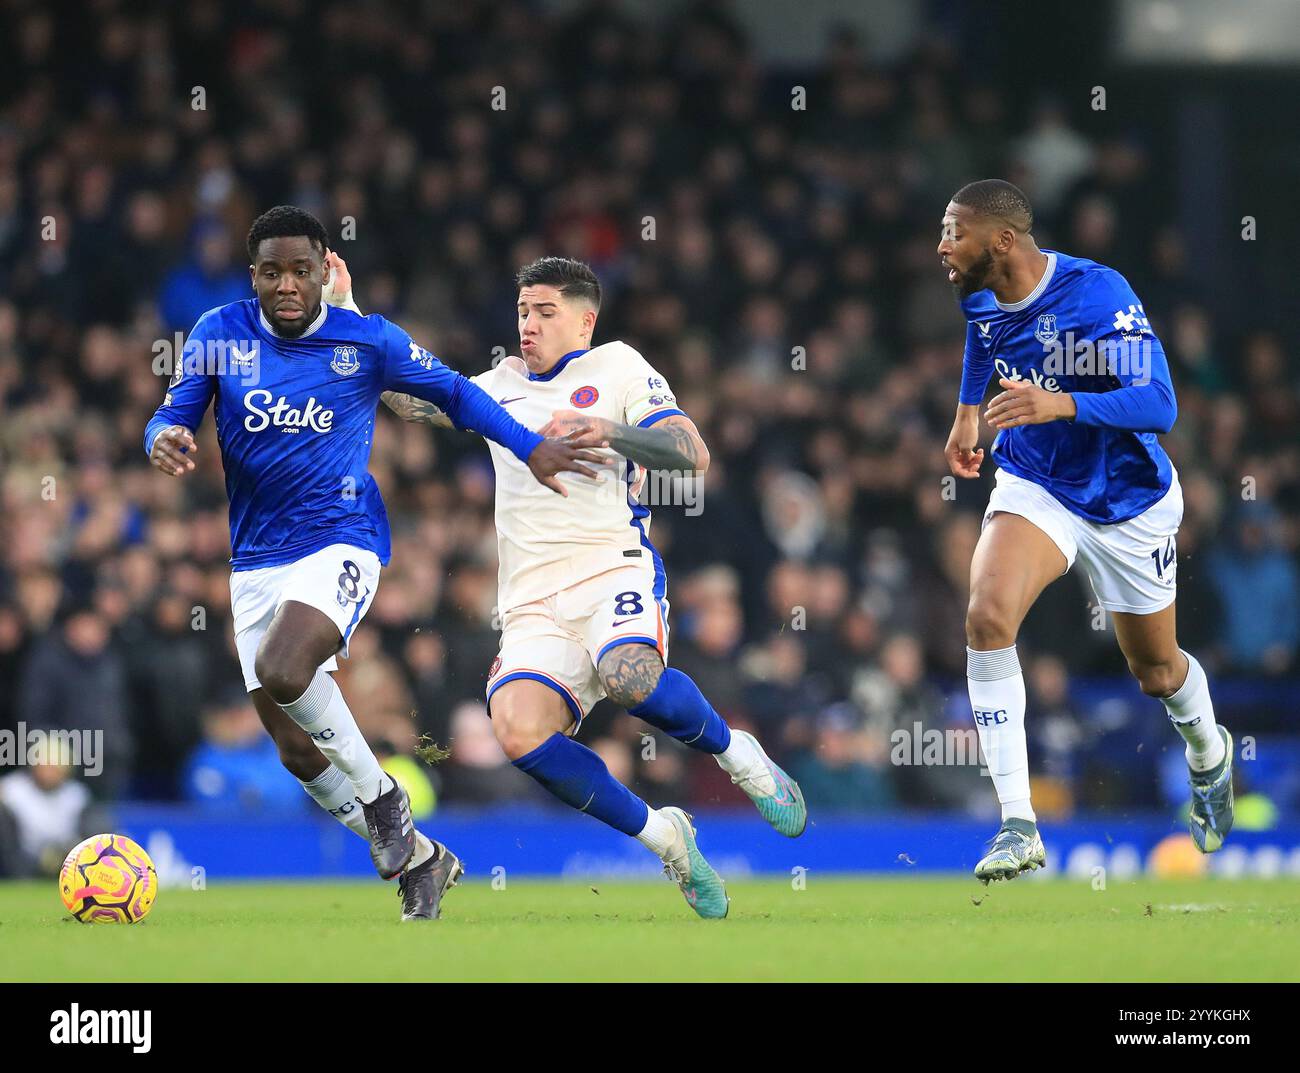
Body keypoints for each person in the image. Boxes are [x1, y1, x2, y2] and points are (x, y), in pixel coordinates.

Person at [145, 206, 600, 920]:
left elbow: (456, 393)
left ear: (326, 268)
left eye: (301, 269)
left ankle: (387, 798)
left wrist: (530, 443)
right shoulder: (217, 334)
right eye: (272, 271)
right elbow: (172, 411)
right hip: (255, 559)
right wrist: (163, 435)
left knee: (286, 668)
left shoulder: (366, 340)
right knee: (296, 751)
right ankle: (421, 856)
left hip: (342, 537)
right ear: (254, 274)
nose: (287, 284)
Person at [331, 254, 807, 919]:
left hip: (611, 567)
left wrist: (612, 431)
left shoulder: (616, 367)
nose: (529, 323)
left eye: (546, 312)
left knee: (630, 675)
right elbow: (409, 398)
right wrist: (346, 314)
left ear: (585, 320)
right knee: (517, 731)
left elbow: (690, 451)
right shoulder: (495, 385)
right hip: (530, 601)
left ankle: (739, 755)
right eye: (524, 310)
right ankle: (665, 836)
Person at [938, 179, 1232, 883]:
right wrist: (967, 411)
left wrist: (1060, 401)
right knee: (986, 614)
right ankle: (1017, 822)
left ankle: (1209, 755)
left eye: (954, 232)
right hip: (1038, 483)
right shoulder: (975, 285)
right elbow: (985, 331)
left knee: (1156, 671)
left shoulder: (1096, 295)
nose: (942, 246)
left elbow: (1160, 404)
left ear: (1003, 241)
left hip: (1127, 498)